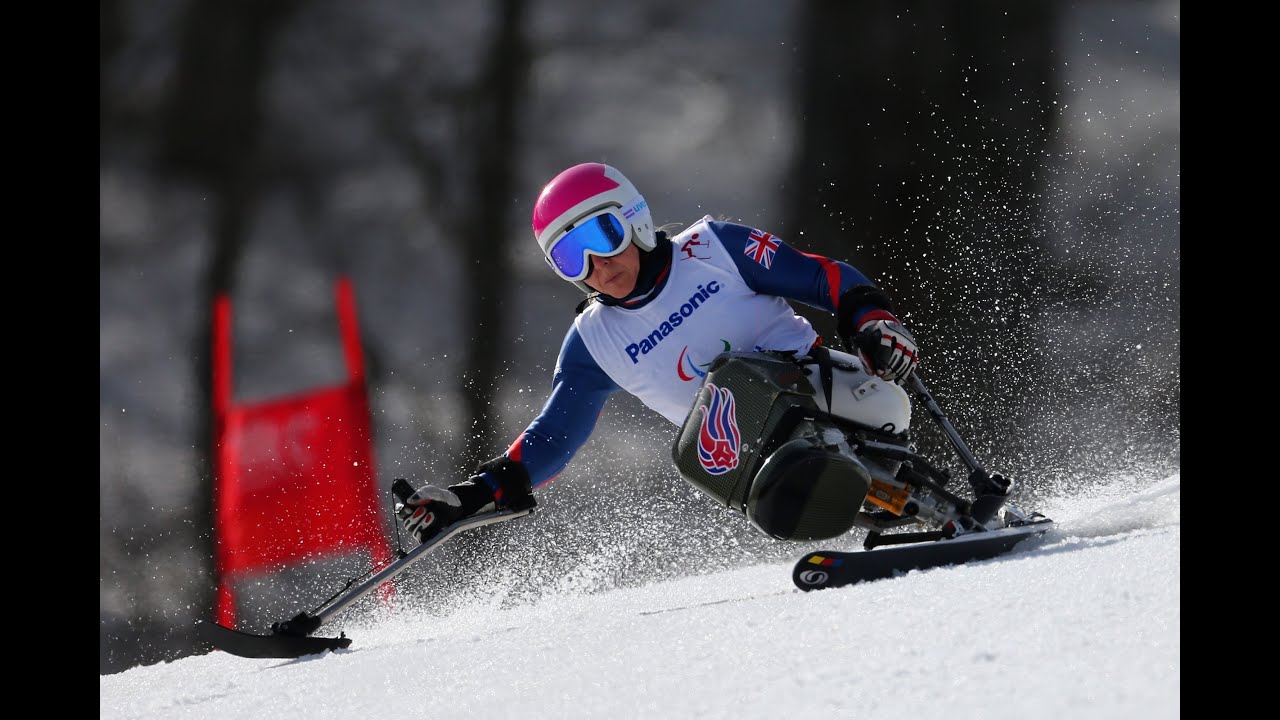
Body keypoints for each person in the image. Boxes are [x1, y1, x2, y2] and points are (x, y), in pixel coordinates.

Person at [396, 162, 919, 543]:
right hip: (760, 469)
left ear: (634, 217)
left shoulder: (713, 248)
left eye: (602, 235)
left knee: (867, 404)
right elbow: (554, 433)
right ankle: (888, 507)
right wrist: (469, 496)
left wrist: (871, 318)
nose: (596, 265)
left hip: (834, 394)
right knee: (751, 445)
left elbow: (820, 276)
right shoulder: (594, 341)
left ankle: (915, 497)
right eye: (570, 257)